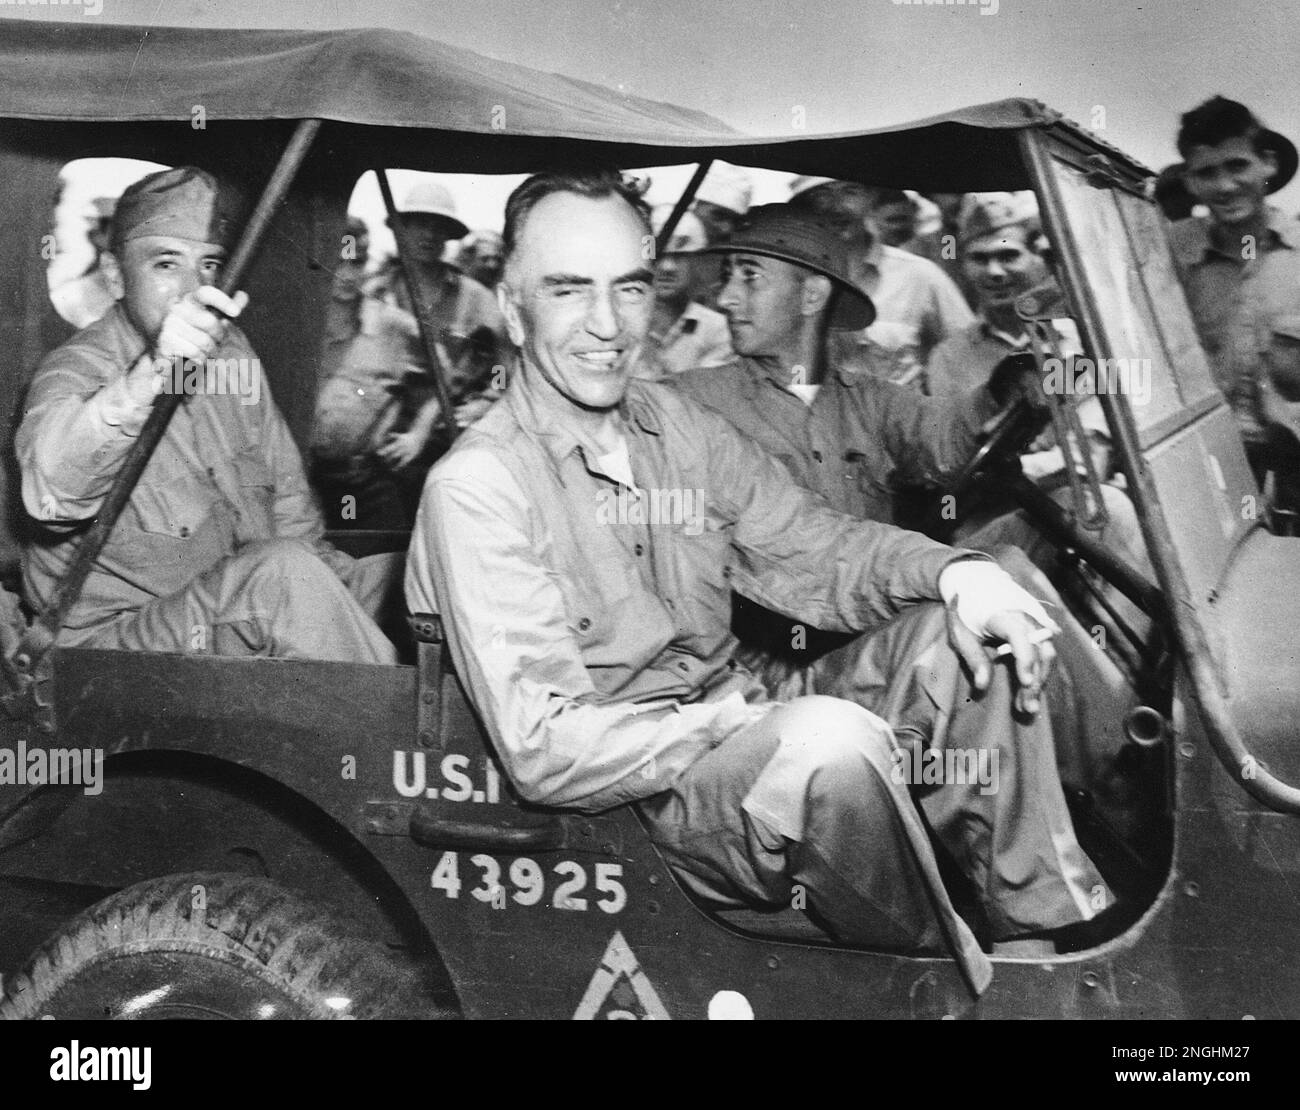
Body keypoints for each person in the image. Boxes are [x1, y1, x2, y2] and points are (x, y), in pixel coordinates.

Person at [406, 169, 1111, 993]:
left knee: (960, 640)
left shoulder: (679, 427)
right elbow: (546, 752)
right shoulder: (480, 486)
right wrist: (735, 724)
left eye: (630, 288)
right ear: (512, 304)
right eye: (569, 290)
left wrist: (959, 573)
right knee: (825, 746)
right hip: (639, 799)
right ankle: (944, 986)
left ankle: (1043, 945)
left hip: (739, 722)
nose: (607, 325)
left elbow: (816, 548)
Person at [17, 167, 398, 664]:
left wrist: (360, 586)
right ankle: (395, 736)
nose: (193, 288)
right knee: (282, 576)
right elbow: (52, 494)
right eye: (166, 265)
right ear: (114, 276)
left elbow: (291, 520)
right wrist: (154, 371)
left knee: (421, 572)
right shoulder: (77, 370)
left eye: (210, 266)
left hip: (233, 604)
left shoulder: (231, 357)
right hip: (109, 650)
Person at [1168, 96, 1300, 520]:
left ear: (1268, 165)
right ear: (1189, 181)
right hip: (1208, 474)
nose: (1224, 186)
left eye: (1237, 166)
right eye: (1206, 172)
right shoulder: (1168, 255)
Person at [790, 178, 974, 391]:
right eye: (821, 195)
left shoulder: (919, 275)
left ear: (871, 198)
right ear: (803, 206)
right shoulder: (791, 280)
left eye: (850, 191)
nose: (836, 206)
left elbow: (970, 353)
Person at [636, 206, 732, 378]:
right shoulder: (622, 321)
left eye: (679, 257)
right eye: (658, 257)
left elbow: (706, 395)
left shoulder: (717, 331)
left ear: (697, 262)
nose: (667, 267)